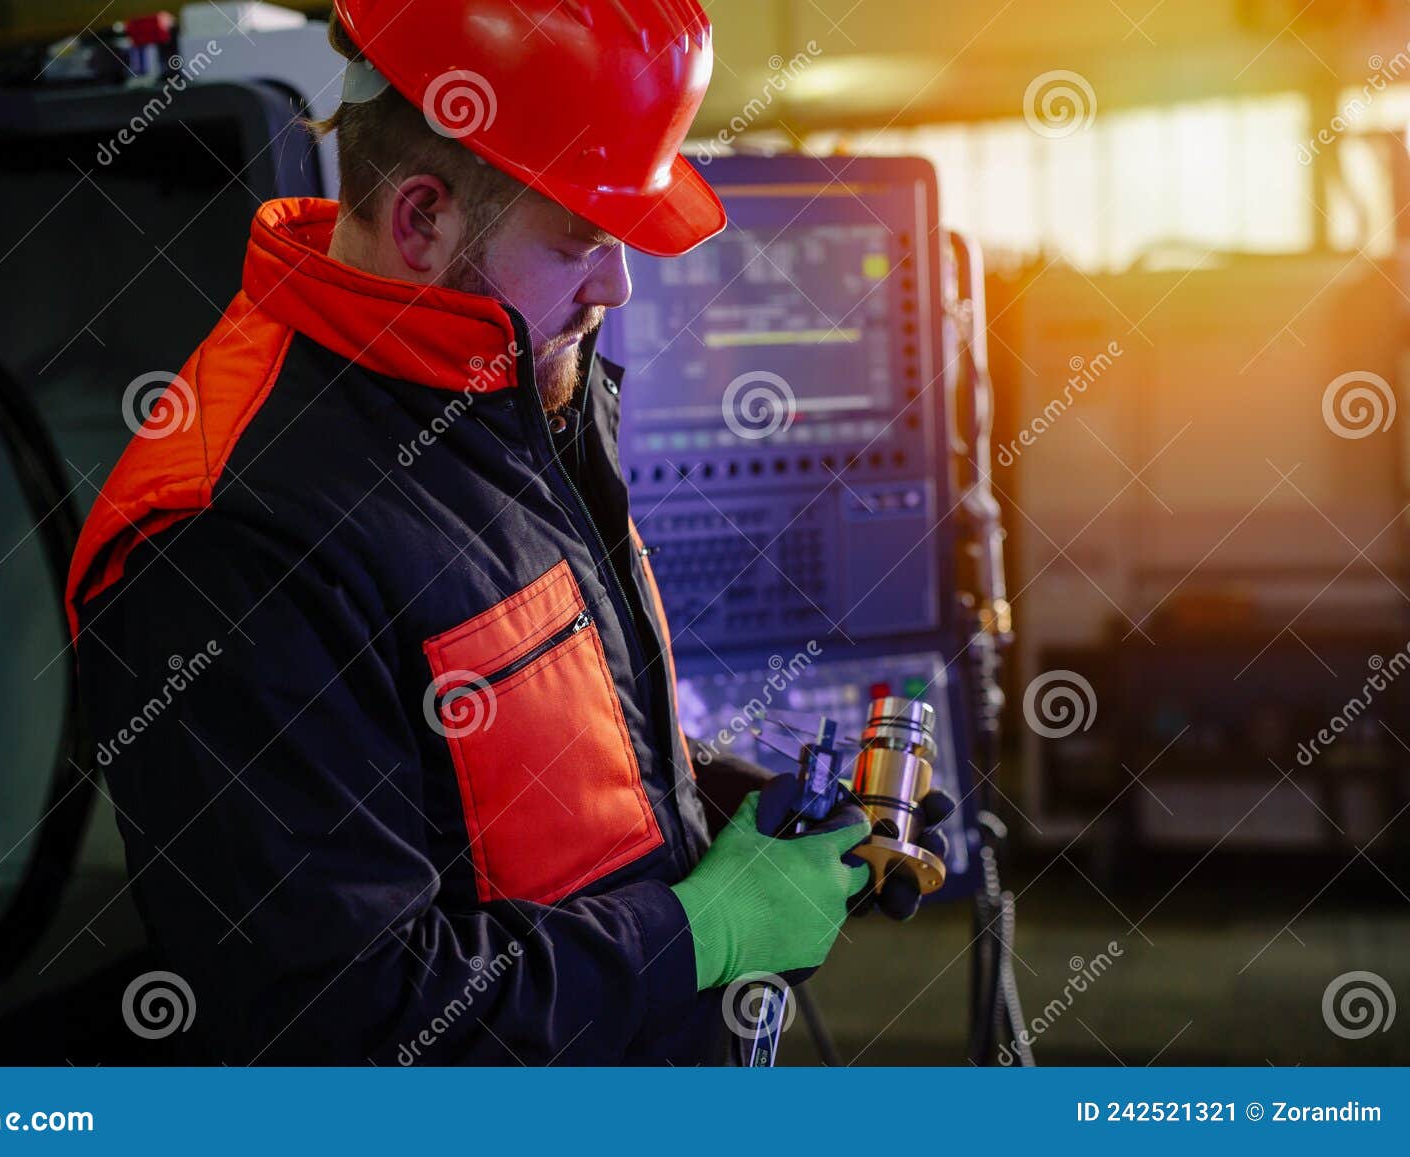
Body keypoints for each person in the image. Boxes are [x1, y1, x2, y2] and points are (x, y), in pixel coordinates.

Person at [65, 0, 949, 1064]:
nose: (618, 285)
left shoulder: (517, 396)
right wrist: (698, 931)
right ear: (423, 218)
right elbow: (343, 1020)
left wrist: (719, 815)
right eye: (581, 239)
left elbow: (496, 779)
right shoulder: (234, 539)